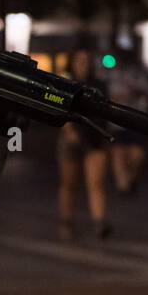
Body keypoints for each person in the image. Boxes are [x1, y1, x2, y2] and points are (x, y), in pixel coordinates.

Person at [56, 48, 113, 239]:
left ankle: (100, 222)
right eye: (79, 60)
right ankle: (66, 221)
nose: (83, 64)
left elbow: (104, 111)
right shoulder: (65, 83)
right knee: (69, 183)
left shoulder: (97, 85)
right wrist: (70, 131)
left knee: (96, 183)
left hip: (93, 137)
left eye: (86, 60)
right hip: (72, 138)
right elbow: (60, 111)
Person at [105, 50, 148, 195]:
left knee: (137, 154)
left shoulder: (137, 74)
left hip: (134, 119)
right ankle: (123, 186)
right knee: (118, 153)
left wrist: (136, 92)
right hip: (117, 122)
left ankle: (132, 178)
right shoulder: (111, 75)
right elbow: (107, 95)